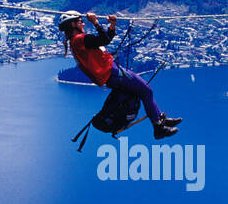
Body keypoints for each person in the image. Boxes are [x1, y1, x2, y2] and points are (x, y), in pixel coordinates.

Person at [59, 10, 182, 138]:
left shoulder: (76, 41)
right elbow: (104, 40)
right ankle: (158, 127)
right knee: (146, 90)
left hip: (111, 75)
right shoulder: (79, 39)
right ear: (73, 25)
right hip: (113, 73)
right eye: (80, 21)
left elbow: (103, 40)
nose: (83, 23)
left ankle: (158, 119)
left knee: (144, 91)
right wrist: (95, 22)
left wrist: (112, 25)